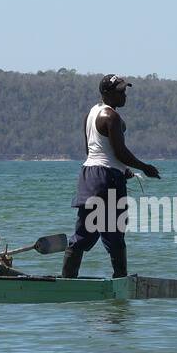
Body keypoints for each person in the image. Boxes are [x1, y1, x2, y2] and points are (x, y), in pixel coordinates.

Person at [61, 74, 161, 278]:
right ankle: (121, 280)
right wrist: (145, 167)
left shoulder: (91, 114)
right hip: (107, 179)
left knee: (84, 232)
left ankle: (67, 280)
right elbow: (120, 152)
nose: (124, 95)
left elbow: (94, 151)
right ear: (106, 94)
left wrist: (123, 170)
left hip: (89, 176)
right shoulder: (111, 116)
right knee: (114, 232)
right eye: (120, 92)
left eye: (124, 91)